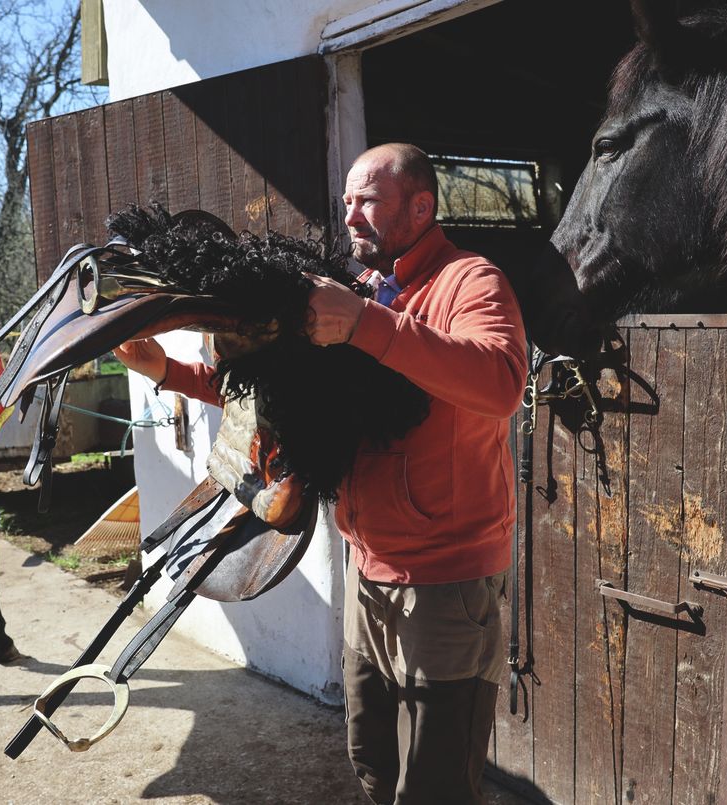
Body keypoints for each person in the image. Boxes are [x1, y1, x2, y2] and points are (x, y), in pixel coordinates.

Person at [115, 143, 527, 804]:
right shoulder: (356, 291)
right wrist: (167, 371)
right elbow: (280, 395)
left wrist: (367, 325)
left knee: (436, 787)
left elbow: (501, 383)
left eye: (369, 201)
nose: (351, 216)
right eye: (347, 203)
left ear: (421, 206)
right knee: (371, 761)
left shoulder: (469, 281)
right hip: (367, 573)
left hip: (446, 584)